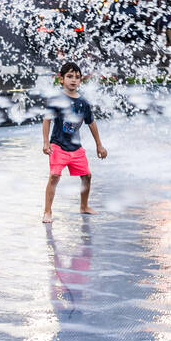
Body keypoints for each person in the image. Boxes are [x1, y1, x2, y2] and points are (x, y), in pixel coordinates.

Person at [42, 61, 107, 224]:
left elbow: (91, 123)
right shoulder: (56, 99)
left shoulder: (83, 102)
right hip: (58, 145)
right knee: (55, 176)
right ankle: (47, 210)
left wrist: (99, 144)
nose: (73, 80)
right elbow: (47, 120)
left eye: (77, 77)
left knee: (87, 176)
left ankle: (84, 206)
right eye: (69, 76)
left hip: (76, 148)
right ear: (61, 79)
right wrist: (46, 142)